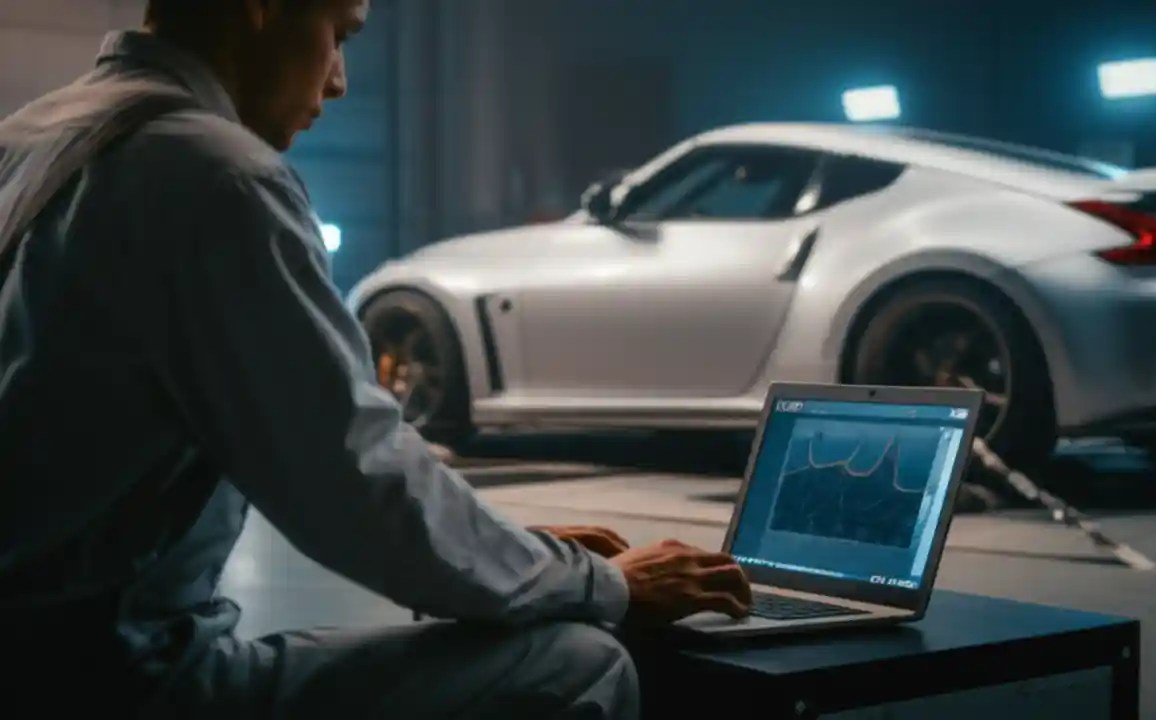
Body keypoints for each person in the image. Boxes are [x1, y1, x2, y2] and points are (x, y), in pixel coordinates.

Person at [0, 1, 751, 717]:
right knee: (578, 665)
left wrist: (520, 558)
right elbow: (357, 484)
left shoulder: (30, 139)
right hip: (115, 689)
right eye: (340, 33)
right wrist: (600, 585)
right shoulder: (214, 174)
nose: (338, 79)